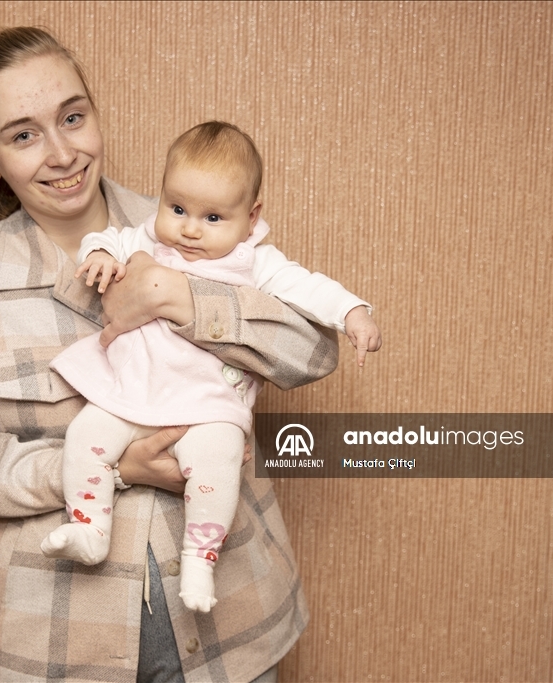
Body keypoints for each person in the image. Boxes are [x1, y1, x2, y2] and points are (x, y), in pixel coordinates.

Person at [0, 26, 360, 682]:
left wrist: (175, 295)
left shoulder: (191, 226)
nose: (62, 153)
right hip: (56, 642)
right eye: (24, 134)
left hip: (228, 627)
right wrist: (113, 467)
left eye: (72, 117)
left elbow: (314, 350)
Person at [41, 121, 381, 614]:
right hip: (132, 389)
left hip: (207, 406)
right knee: (85, 437)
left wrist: (353, 312)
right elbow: (109, 237)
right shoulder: (147, 240)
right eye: (176, 209)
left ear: (251, 215)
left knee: (218, 465)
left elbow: (309, 289)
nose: (190, 229)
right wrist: (96, 252)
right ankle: (90, 527)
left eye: (213, 217)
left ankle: (200, 559)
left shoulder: (255, 262)